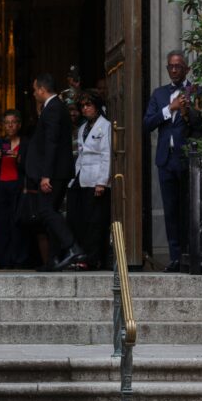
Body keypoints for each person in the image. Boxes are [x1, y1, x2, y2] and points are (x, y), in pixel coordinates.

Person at [143, 50, 202, 272]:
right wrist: (170, 109)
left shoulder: (196, 91)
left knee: (188, 210)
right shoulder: (159, 94)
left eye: (178, 66)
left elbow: (201, 125)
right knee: (170, 210)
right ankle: (175, 257)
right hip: (165, 161)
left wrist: (187, 111)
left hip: (187, 161)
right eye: (171, 66)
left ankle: (190, 256)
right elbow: (147, 123)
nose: (174, 70)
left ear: (187, 68)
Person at [25, 73, 85, 271]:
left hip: (53, 173)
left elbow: (51, 143)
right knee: (50, 213)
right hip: (59, 171)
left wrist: (46, 175)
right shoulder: (53, 107)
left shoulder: (53, 109)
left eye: (35, 90)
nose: (34, 94)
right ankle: (53, 261)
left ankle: (72, 246)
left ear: (42, 90)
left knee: (45, 211)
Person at [67, 91, 112, 270]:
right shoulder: (82, 128)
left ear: (97, 106)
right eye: (83, 106)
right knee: (82, 219)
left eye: (89, 105)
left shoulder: (106, 126)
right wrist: (73, 179)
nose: (85, 109)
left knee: (96, 221)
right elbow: (81, 154)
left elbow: (107, 154)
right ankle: (83, 256)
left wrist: (102, 181)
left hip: (97, 180)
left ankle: (94, 259)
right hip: (82, 178)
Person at [0, 110, 30, 268]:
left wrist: (19, 158)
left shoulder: (26, 143)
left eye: (13, 122)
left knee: (18, 226)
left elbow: (32, 167)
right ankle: (4, 262)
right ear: (3, 125)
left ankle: (19, 261)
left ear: (19, 125)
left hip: (18, 189)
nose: (10, 125)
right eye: (7, 122)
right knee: (0, 227)